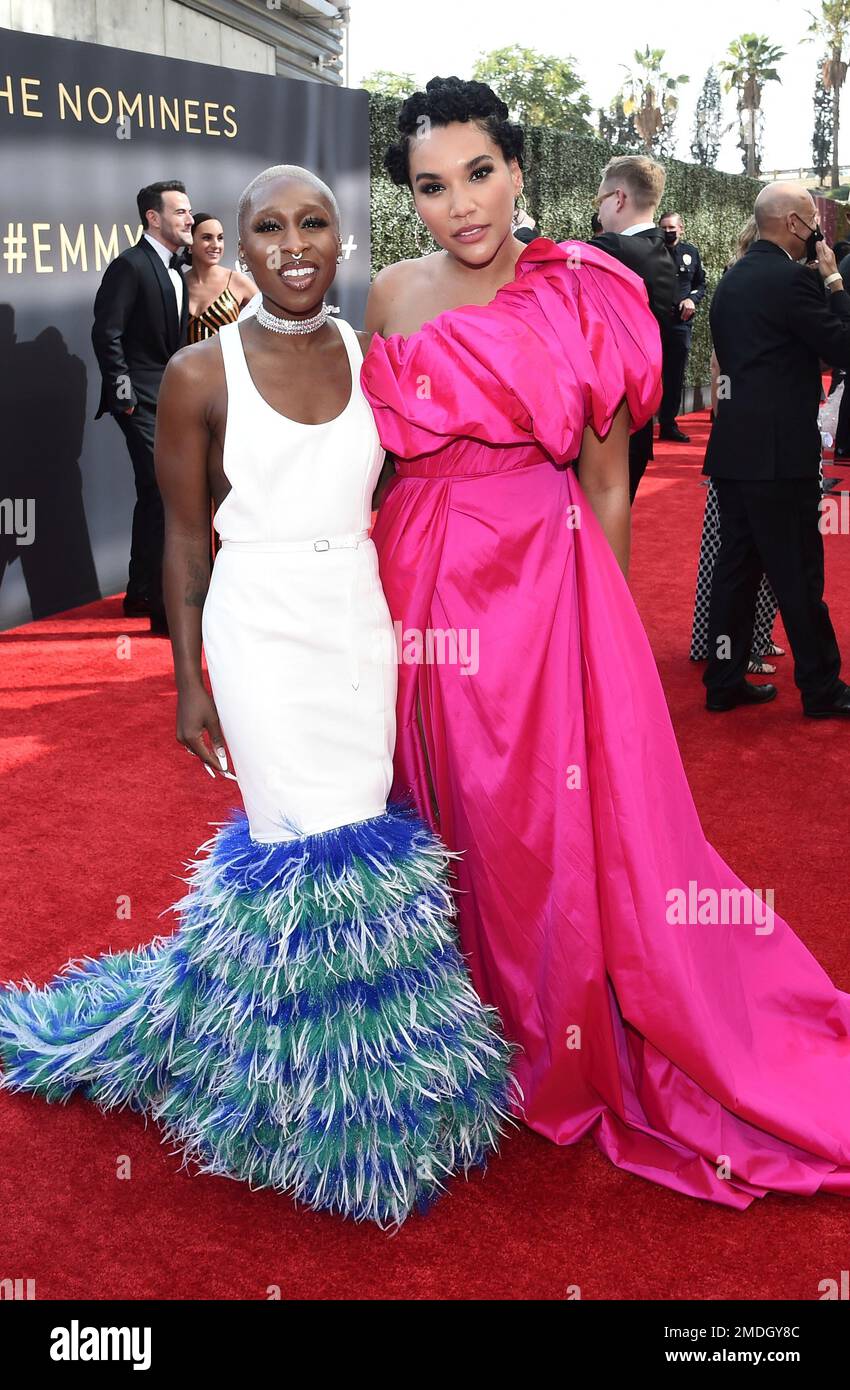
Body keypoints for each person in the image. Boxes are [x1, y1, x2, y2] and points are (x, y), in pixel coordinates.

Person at [363, 77, 850, 1210]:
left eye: (479, 172)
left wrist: (603, 619)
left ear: (520, 167)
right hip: (416, 572)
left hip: (541, 579)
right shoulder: (389, 295)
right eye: (432, 186)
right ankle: (452, 1031)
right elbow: (380, 462)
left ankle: (555, 1031)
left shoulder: (583, 291)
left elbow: (602, 479)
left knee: (541, 819)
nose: (461, 205)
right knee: (436, 803)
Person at [0, 164, 515, 1230]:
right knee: (308, 836)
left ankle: (340, 1075)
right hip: (259, 628)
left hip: (356, 624)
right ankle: (316, 1113)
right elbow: (186, 536)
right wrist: (190, 678)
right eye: (269, 225)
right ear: (233, 245)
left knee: (360, 824)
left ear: (340, 241)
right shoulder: (199, 372)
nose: (293, 242)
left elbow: (389, 498)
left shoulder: (380, 363)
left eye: (313, 223)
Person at [704, 181, 850, 718]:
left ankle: (723, 680)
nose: (818, 231)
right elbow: (844, 345)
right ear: (794, 223)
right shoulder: (794, 282)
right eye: (814, 220)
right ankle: (822, 689)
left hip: (733, 452)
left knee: (737, 571)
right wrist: (834, 281)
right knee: (799, 574)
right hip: (779, 457)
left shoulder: (733, 278)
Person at [92, 181, 194, 635]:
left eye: (189, 212)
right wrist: (123, 394)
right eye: (180, 212)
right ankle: (160, 606)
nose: (189, 219)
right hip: (139, 397)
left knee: (154, 493)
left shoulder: (177, 268)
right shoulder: (130, 266)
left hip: (169, 393)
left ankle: (139, 591)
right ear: (153, 218)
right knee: (161, 489)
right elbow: (106, 332)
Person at [691, 215, 782, 675]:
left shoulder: (740, 285)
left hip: (743, 439)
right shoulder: (749, 287)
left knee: (742, 553)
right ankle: (730, 646)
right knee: (740, 553)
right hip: (750, 444)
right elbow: (718, 363)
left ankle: (752, 638)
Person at [591, 155, 677, 502]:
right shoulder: (660, 253)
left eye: (600, 200)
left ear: (619, 199)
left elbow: (540, 264)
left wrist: (523, 231)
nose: (598, 213)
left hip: (606, 428)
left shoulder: (615, 249)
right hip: (634, 426)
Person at [657, 211, 706, 443]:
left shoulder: (691, 252)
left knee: (674, 377)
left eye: (672, 228)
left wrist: (691, 300)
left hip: (680, 325)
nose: (668, 232)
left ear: (681, 228)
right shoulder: (651, 251)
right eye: (664, 228)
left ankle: (668, 424)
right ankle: (642, 428)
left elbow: (700, 284)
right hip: (654, 323)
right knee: (650, 376)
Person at [184, 213, 256, 342]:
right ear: (190, 243)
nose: (216, 245)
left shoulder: (236, 281)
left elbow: (269, 319)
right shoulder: (178, 284)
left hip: (230, 361)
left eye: (220, 238)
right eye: (207, 238)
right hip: (184, 362)